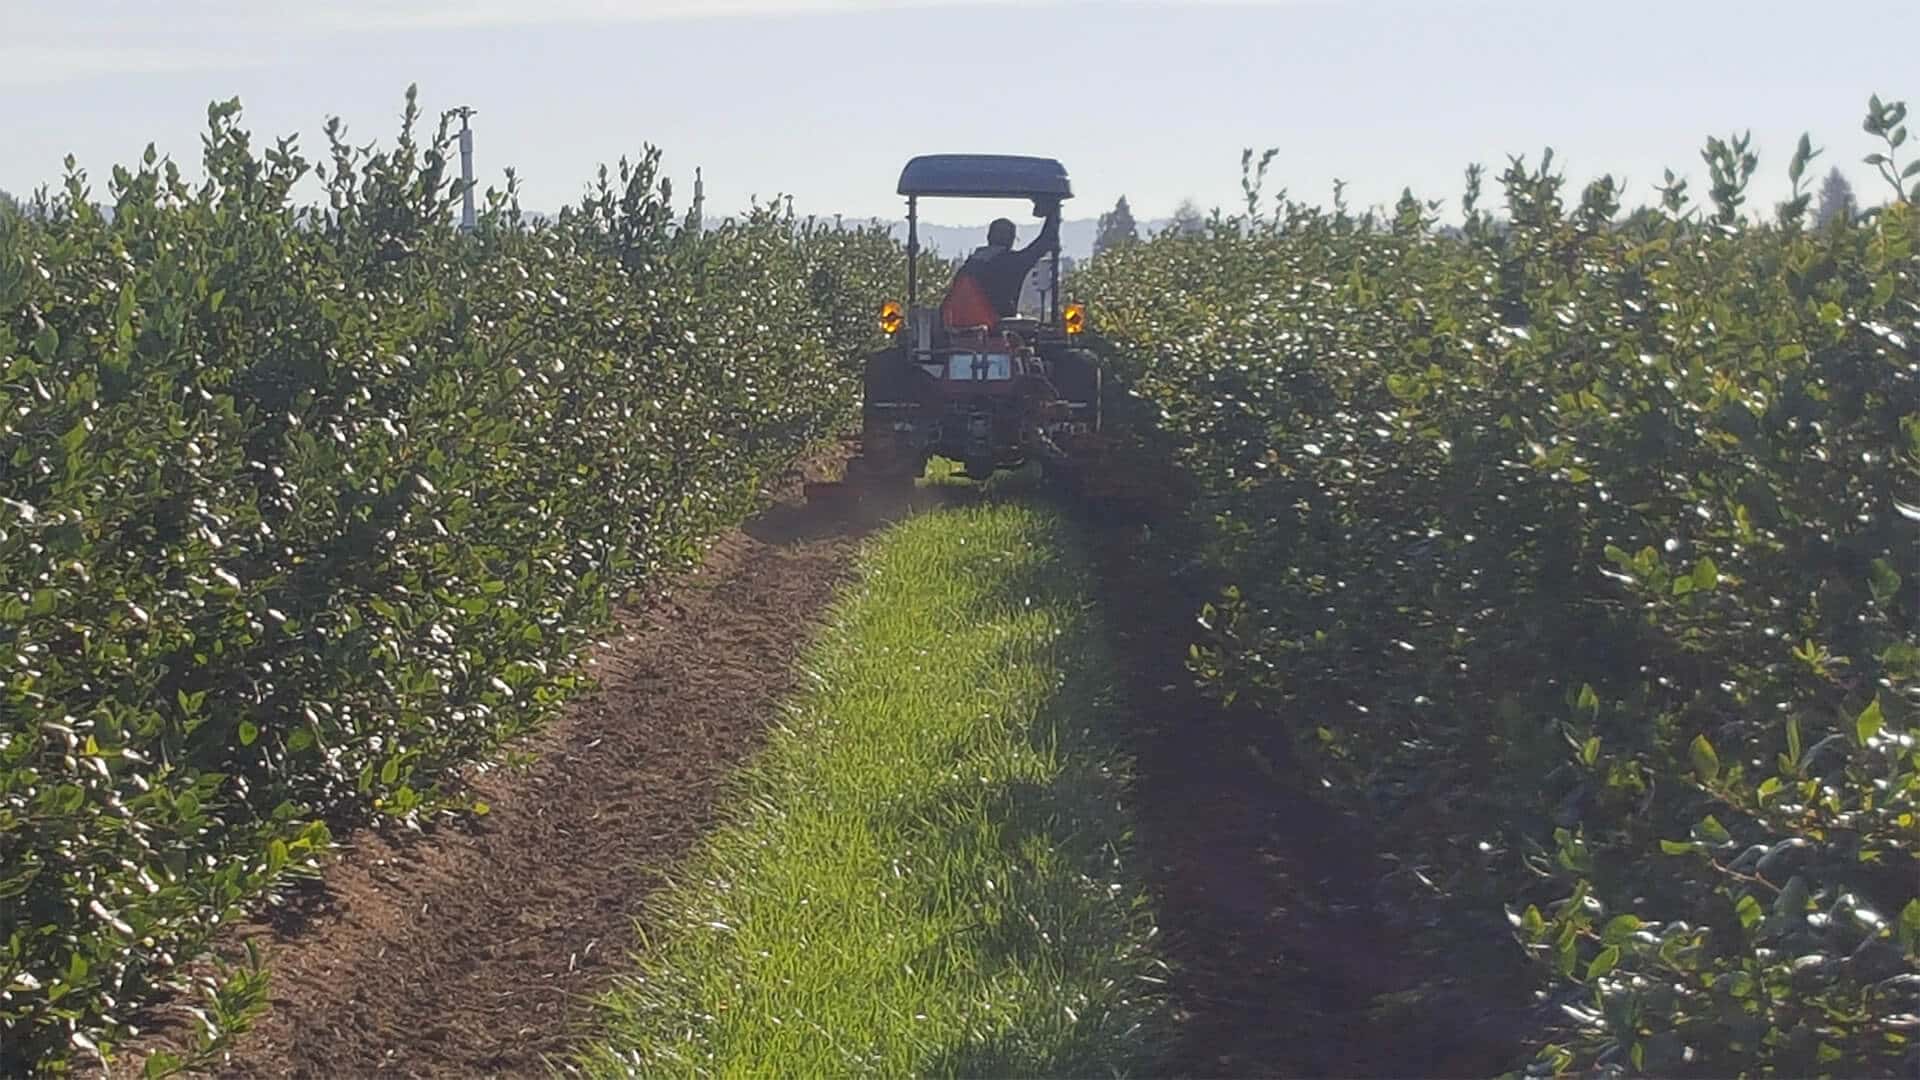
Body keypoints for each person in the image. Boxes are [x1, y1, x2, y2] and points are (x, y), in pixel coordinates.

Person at [941, 197, 1061, 328]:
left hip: (956, 331)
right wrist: (1053, 213)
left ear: (988, 238)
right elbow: (1043, 244)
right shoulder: (1011, 263)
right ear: (1011, 240)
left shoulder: (970, 265)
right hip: (996, 332)